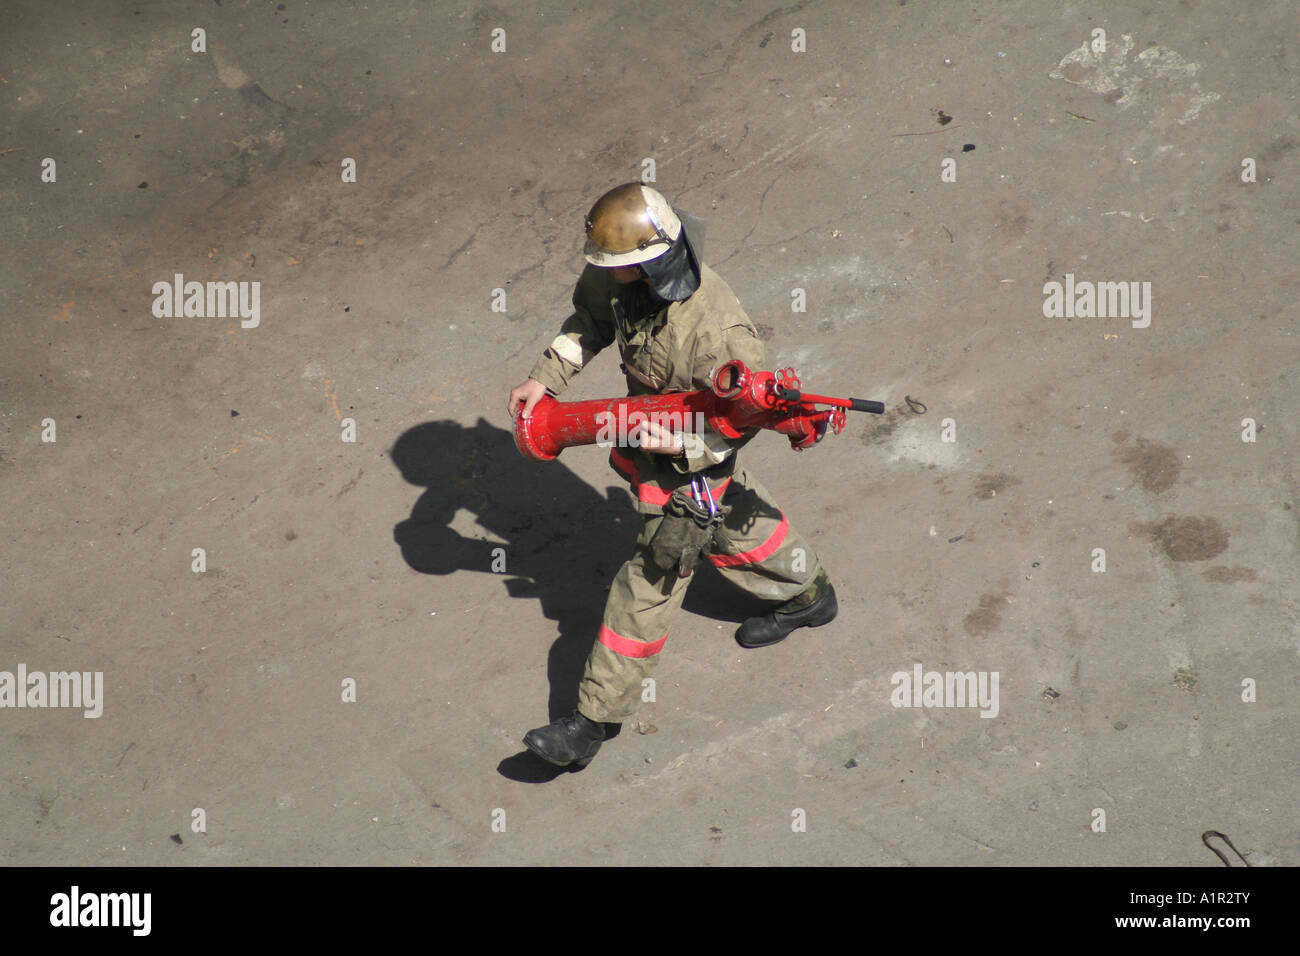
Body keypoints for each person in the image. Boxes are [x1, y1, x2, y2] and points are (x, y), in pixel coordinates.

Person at [507, 182, 837, 768]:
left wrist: (684, 443)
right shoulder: (622, 273)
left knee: (653, 573)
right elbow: (590, 318)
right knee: (733, 517)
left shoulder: (718, 333)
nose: (614, 277)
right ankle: (807, 594)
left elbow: (741, 422)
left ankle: (590, 723)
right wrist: (548, 375)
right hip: (650, 433)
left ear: (654, 262)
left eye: (623, 269)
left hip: (697, 449)